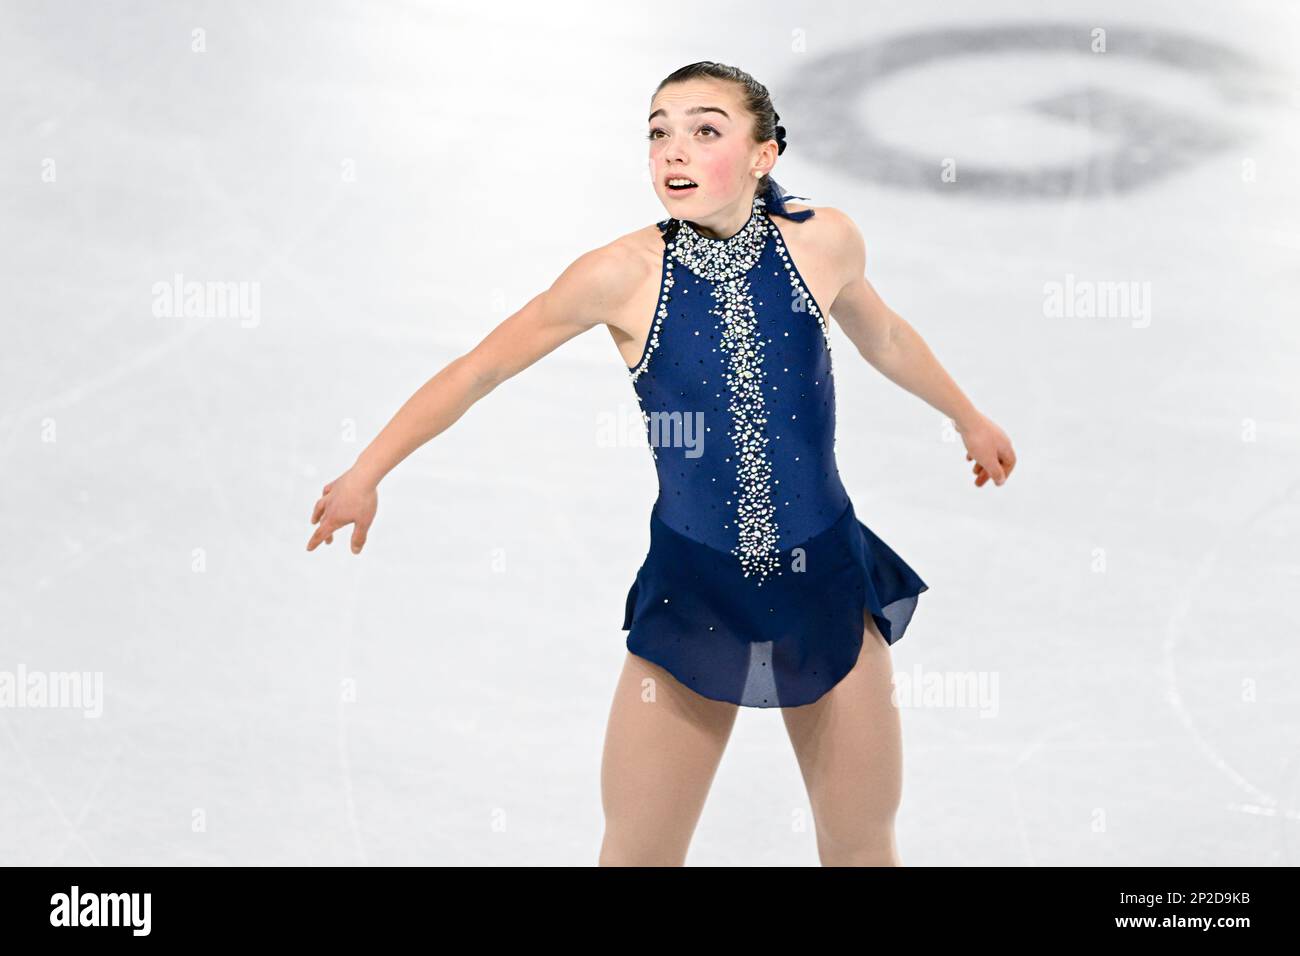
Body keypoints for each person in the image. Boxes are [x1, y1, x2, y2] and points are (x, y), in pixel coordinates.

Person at [307, 61, 1016, 866]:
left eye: (705, 130)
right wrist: (368, 471)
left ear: (764, 154)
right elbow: (480, 368)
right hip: (695, 595)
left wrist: (967, 417)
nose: (673, 151)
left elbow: (882, 335)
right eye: (658, 131)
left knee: (862, 848)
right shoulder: (620, 275)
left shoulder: (823, 242)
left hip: (827, 583)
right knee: (638, 854)